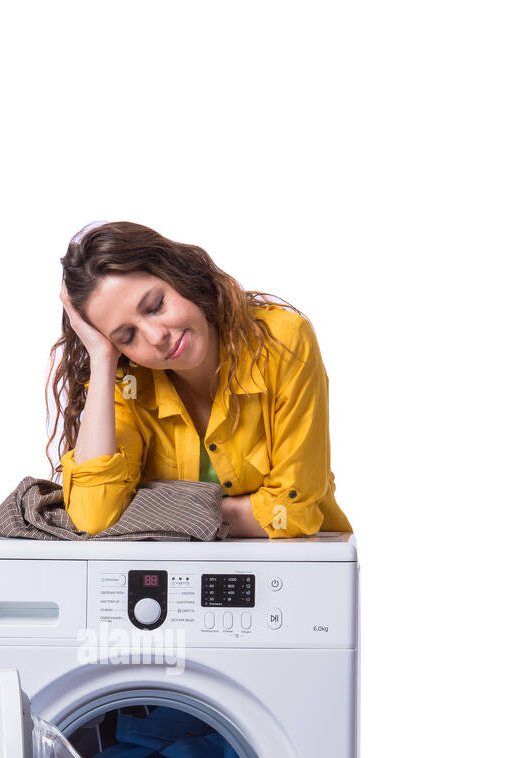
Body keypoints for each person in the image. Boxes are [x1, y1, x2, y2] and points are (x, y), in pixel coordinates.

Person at [45, 221, 352, 539]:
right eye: (127, 336)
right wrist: (102, 358)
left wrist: (160, 511)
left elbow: (293, 512)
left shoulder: (283, 341)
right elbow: (93, 518)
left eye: (155, 306)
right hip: (181, 578)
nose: (156, 336)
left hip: (300, 568)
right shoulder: (129, 382)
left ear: (176, 276)